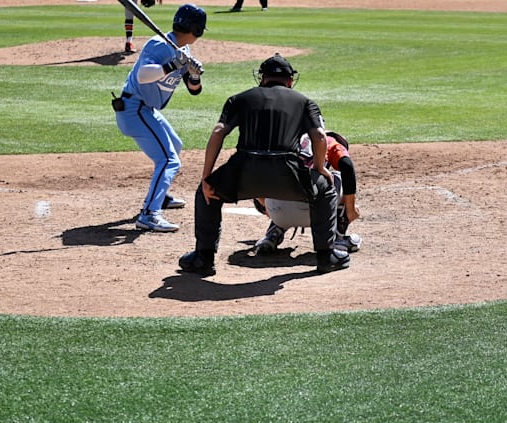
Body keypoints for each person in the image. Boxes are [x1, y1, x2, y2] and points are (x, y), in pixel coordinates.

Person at [178, 54, 350, 277]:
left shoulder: (239, 99)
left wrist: (206, 177)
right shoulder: (305, 102)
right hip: (289, 174)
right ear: (290, 81)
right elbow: (319, 136)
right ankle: (326, 257)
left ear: (262, 78)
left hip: (244, 172)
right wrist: (319, 167)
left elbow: (218, 132)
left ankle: (204, 258)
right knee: (325, 189)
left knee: (206, 193)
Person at [114, 4, 205, 233]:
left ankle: (160, 195)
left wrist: (194, 74)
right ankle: (149, 215)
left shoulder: (183, 50)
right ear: (197, 29)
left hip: (146, 110)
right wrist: (174, 64)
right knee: (169, 160)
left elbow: (194, 90)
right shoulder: (159, 45)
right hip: (134, 109)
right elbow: (143, 75)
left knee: (175, 146)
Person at [252, 129, 362, 256]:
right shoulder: (329, 141)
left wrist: (267, 206)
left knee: (281, 184)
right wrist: (350, 209)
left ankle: (272, 235)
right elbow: (347, 166)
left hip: (277, 213)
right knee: (336, 178)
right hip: (316, 214)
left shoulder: (282, 141)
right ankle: (337, 238)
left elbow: (256, 173)